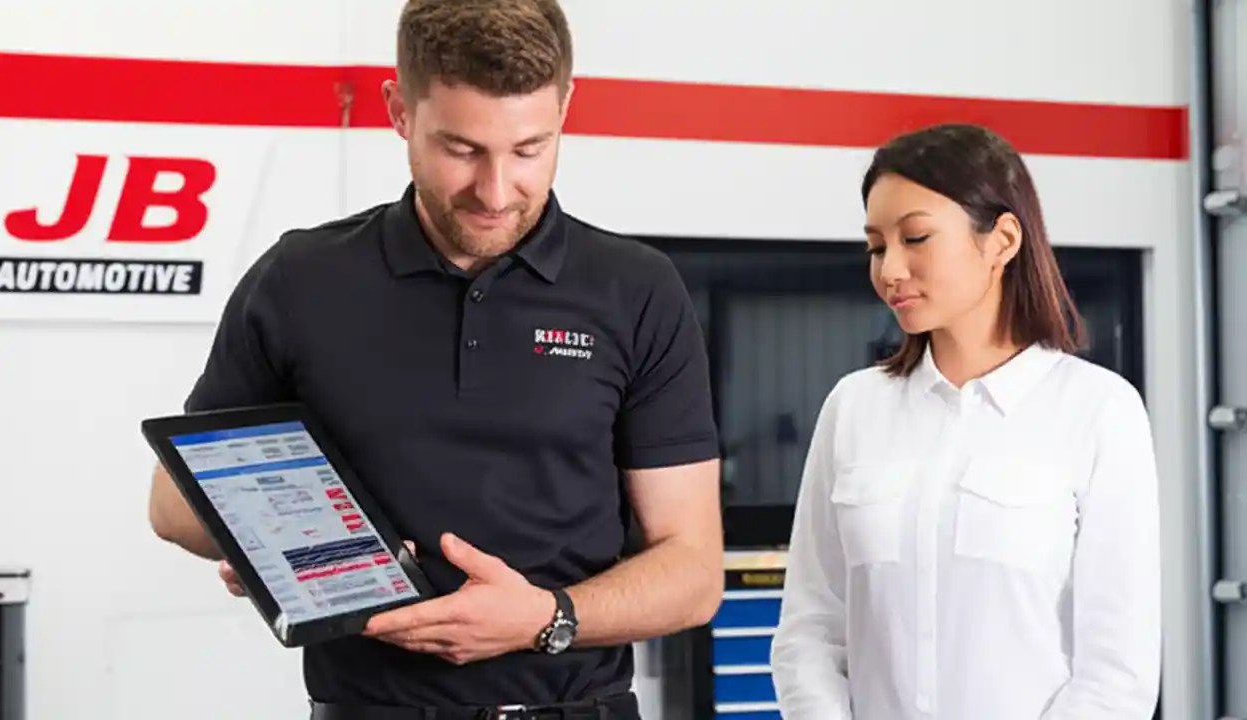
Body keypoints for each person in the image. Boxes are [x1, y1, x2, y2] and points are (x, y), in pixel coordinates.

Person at [147, 1, 725, 717]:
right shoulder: (299, 280)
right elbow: (175, 505)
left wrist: (547, 616)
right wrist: (275, 542)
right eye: (461, 149)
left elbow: (694, 572)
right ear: (398, 110)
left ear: (566, 109)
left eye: (528, 149)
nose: (495, 191)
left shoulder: (637, 290)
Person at [769, 123, 1161, 719]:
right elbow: (810, 631)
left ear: (1002, 239)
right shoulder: (853, 408)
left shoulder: (1100, 411)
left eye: (916, 238)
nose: (890, 269)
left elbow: (1116, 673)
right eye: (876, 247)